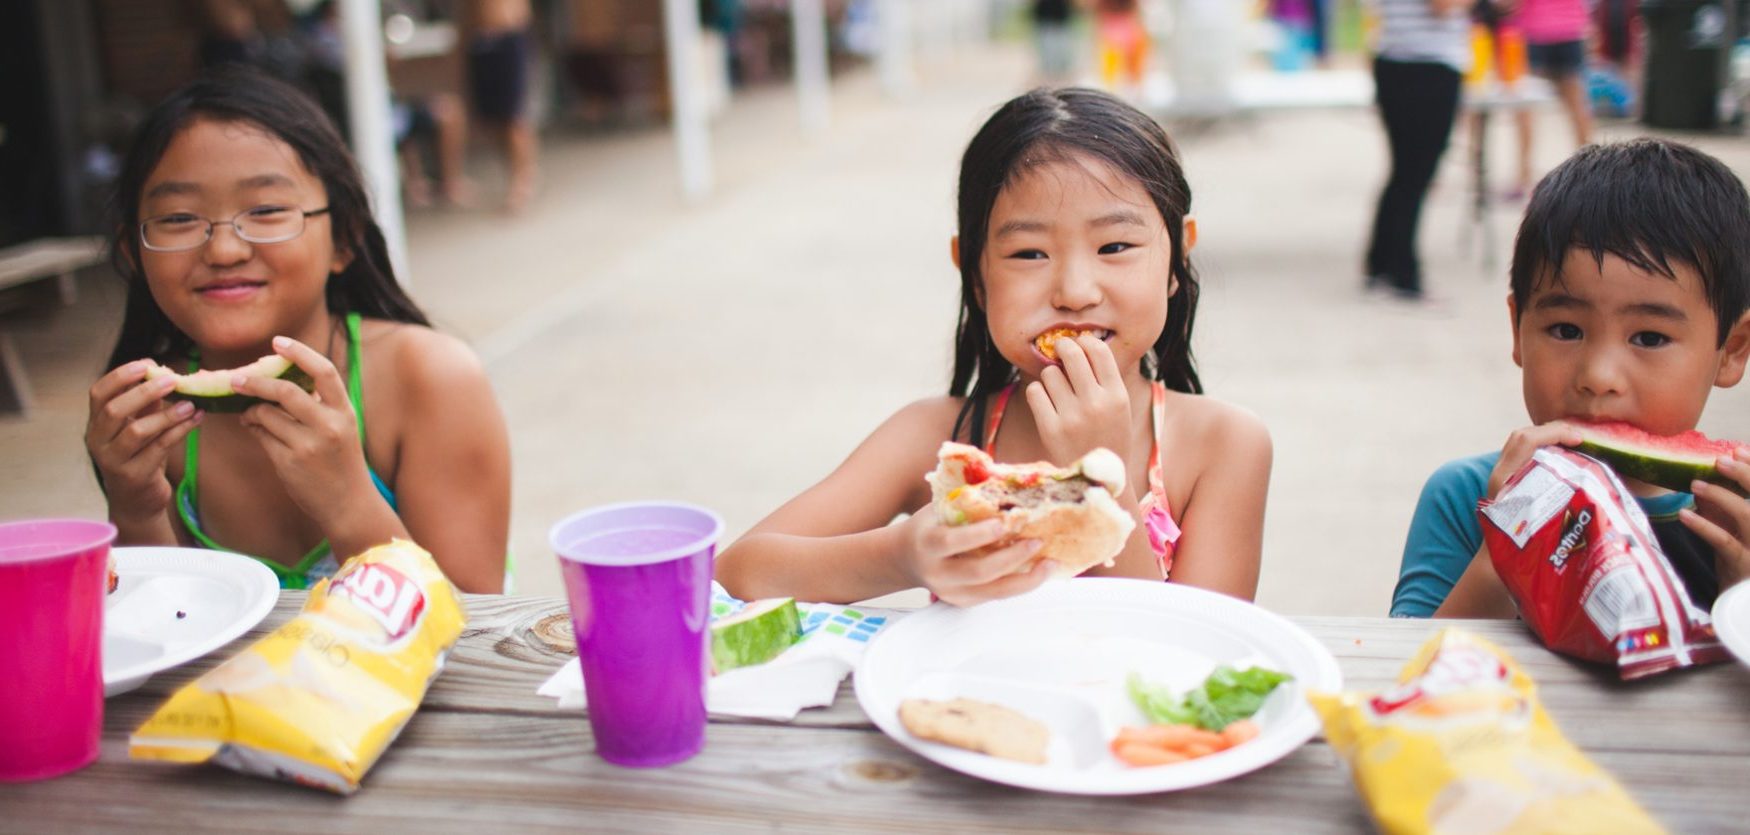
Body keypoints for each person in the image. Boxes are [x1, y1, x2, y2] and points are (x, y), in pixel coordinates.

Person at [715, 87, 1272, 606]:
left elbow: (1193, 655)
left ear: (1177, 258)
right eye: (1030, 254)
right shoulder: (934, 437)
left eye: (1116, 245)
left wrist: (1099, 482)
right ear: (975, 275)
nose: (1075, 292)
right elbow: (737, 573)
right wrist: (903, 554)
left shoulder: (1224, 445)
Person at [84, 68, 511, 592]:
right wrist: (137, 509)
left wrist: (348, 502)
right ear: (134, 251)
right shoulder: (154, 415)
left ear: (345, 239)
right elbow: (162, 626)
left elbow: (473, 628)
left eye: (265, 210)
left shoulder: (429, 377)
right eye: (178, 219)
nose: (224, 250)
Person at [1390, 139, 1750, 618]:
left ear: (1731, 349)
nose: (1598, 377)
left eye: (1648, 338)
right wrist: (1503, 550)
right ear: (1518, 329)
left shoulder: (1736, 517)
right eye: (1566, 330)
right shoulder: (1465, 496)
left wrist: (1741, 592)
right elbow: (1413, 674)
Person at [1364, 0, 1471, 302]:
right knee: (1416, 175)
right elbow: (1444, 5)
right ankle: (1403, 272)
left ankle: (1380, 263)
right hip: (1427, 65)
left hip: (1395, 60)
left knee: (1403, 172)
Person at [462, 0, 539, 212]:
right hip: (480, 40)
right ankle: (513, 172)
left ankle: (522, 180)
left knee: (513, 116)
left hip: (508, 35)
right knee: (492, 120)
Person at [1032, 0, 1076, 82]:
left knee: (1061, 46)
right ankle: (1049, 73)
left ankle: (1061, 72)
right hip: (1045, 14)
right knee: (1047, 47)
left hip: (1060, 14)